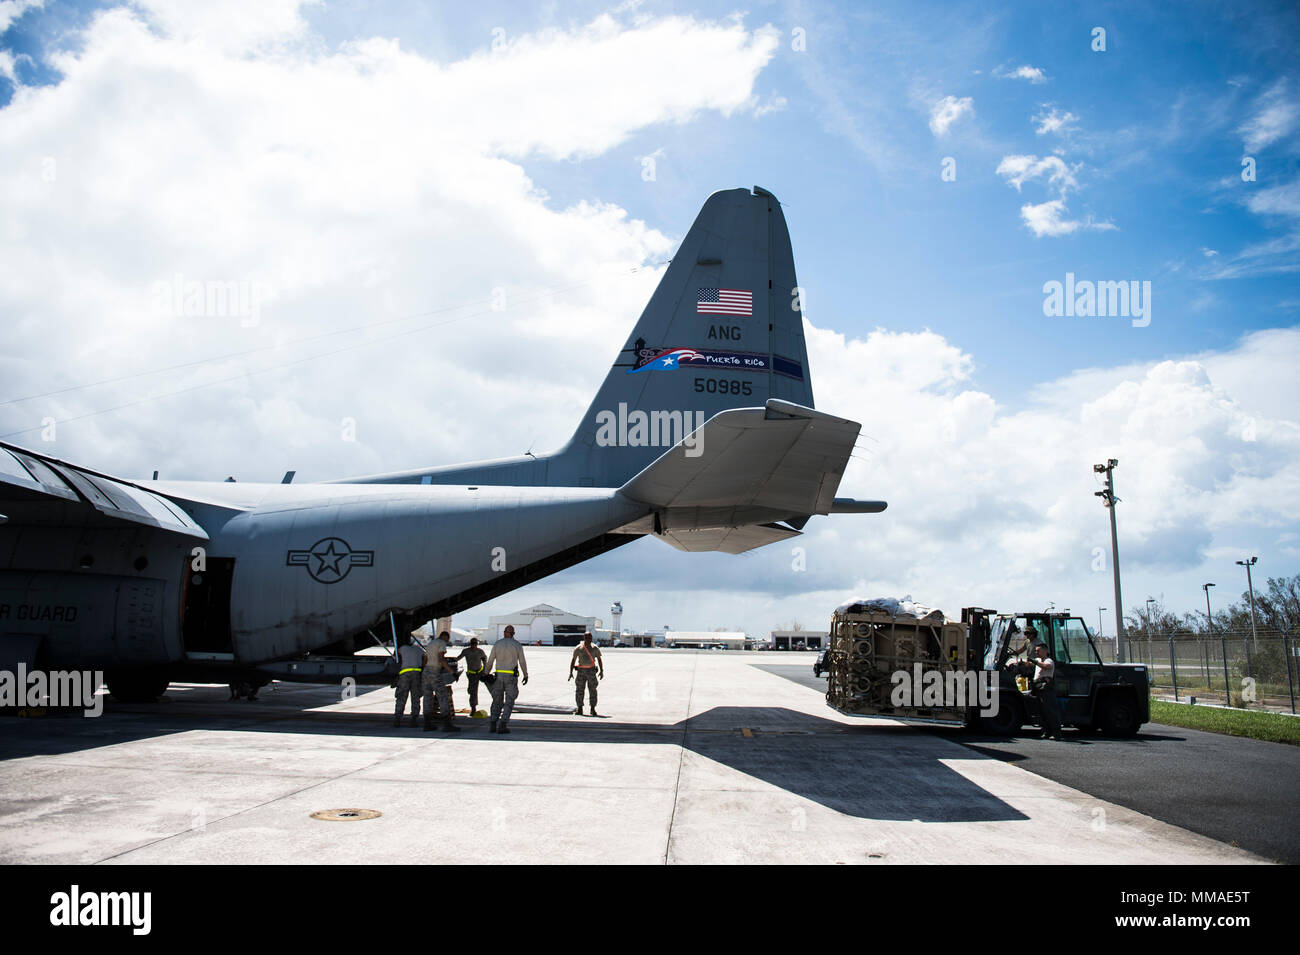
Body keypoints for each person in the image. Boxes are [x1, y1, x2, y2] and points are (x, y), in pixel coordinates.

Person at [487, 625, 529, 734]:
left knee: (497, 700)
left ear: (504, 632)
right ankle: (503, 724)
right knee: (509, 701)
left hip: (498, 676)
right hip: (510, 676)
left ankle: (492, 723)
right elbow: (522, 661)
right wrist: (525, 674)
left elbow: (490, 660)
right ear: (513, 633)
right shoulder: (516, 645)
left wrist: (485, 673)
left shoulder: (497, 644)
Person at [423, 630, 461, 733]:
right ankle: (447, 724)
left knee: (427, 697)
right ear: (445, 637)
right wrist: (452, 672)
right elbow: (441, 659)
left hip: (426, 671)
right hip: (435, 671)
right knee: (442, 696)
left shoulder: (430, 643)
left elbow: (425, 659)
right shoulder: (441, 643)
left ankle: (427, 724)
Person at [1030, 641, 1062, 740]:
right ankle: (1046, 731)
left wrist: (1034, 661)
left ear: (1045, 651)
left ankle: (1056, 733)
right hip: (1038, 687)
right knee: (1042, 712)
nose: (1036, 653)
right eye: (1035, 651)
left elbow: (1045, 666)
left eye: (1038, 651)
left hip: (1046, 689)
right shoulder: (1038, 660)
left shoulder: (1048, 661)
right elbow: (1031, 665)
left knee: (1050, 711)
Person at [568, 632, 604, 716]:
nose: (588, 639)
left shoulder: (595, 648)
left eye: (590, 637)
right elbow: (573, 660)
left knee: (593, 690)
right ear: (584, 638)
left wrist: (602, 670)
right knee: (579, 690)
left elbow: (599, 659)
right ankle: (580, 708)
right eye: (587, 637)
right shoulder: (578, 648)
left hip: (591, 671)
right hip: (581, 671)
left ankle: (593, 708)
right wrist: (570, 672)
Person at [393, 633, 424, 728]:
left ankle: (397, 719)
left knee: (401, 696)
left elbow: (396, 656)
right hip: (416, 674)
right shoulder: (419, 649)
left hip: (405, 674)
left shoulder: (402, 648)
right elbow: (425, 658)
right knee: (415, 697)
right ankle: (414, 719)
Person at [458, 637, 488, 714]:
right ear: (470, 644)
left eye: (475, 644)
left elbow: (485, 661)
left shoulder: (480, 652)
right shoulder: (466, 651)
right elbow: (458, 658)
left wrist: (485, 672)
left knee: (476, 690)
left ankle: (473, 707)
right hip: (471, 674)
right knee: (472, 690)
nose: (474, 645)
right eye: (472, 644)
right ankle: (473, 705)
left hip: (479, 672)